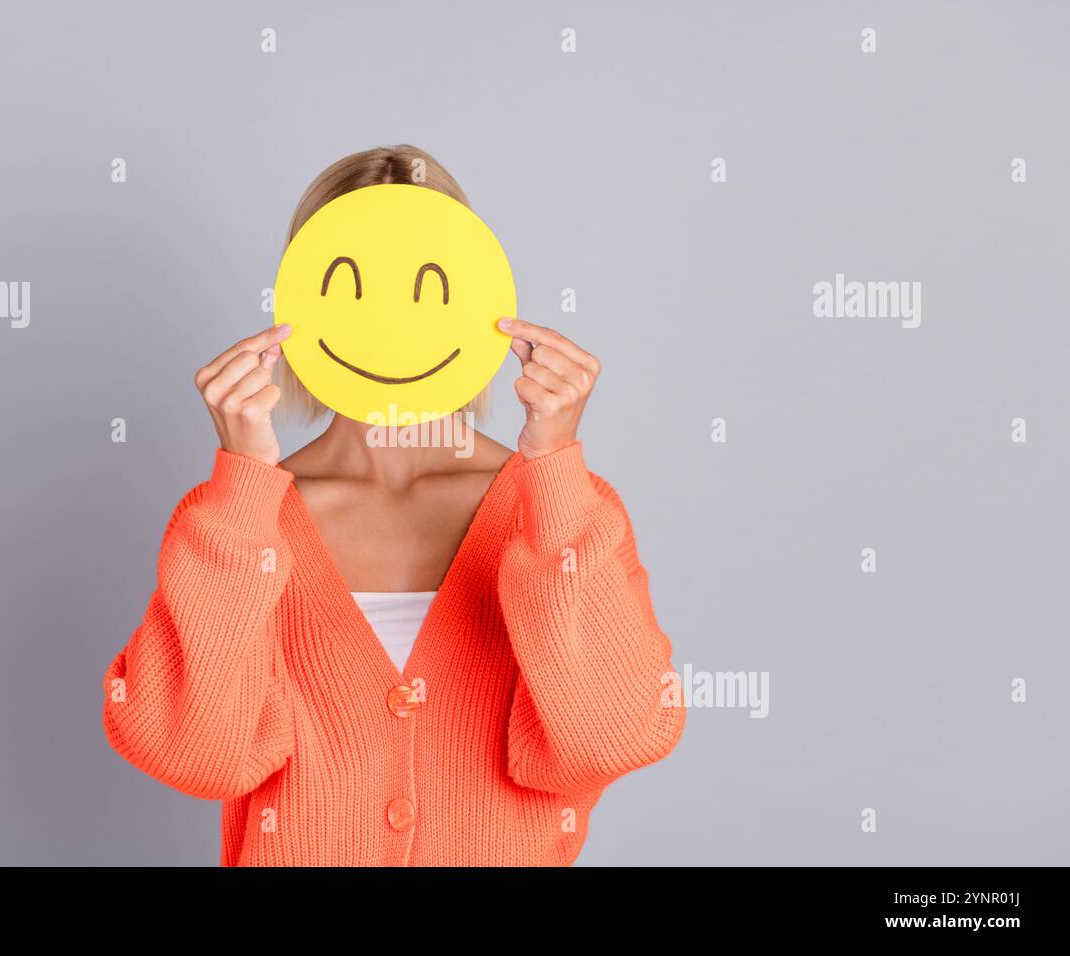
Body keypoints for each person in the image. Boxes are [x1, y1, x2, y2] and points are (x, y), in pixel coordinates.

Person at [102, 145, 685, 865]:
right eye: (351, 287)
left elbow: (611, 737)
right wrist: (244, 484)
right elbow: (192, 753)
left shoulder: (558, 509)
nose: (390, 317)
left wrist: (555, 470)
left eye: (425, 287)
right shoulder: (242, 521)